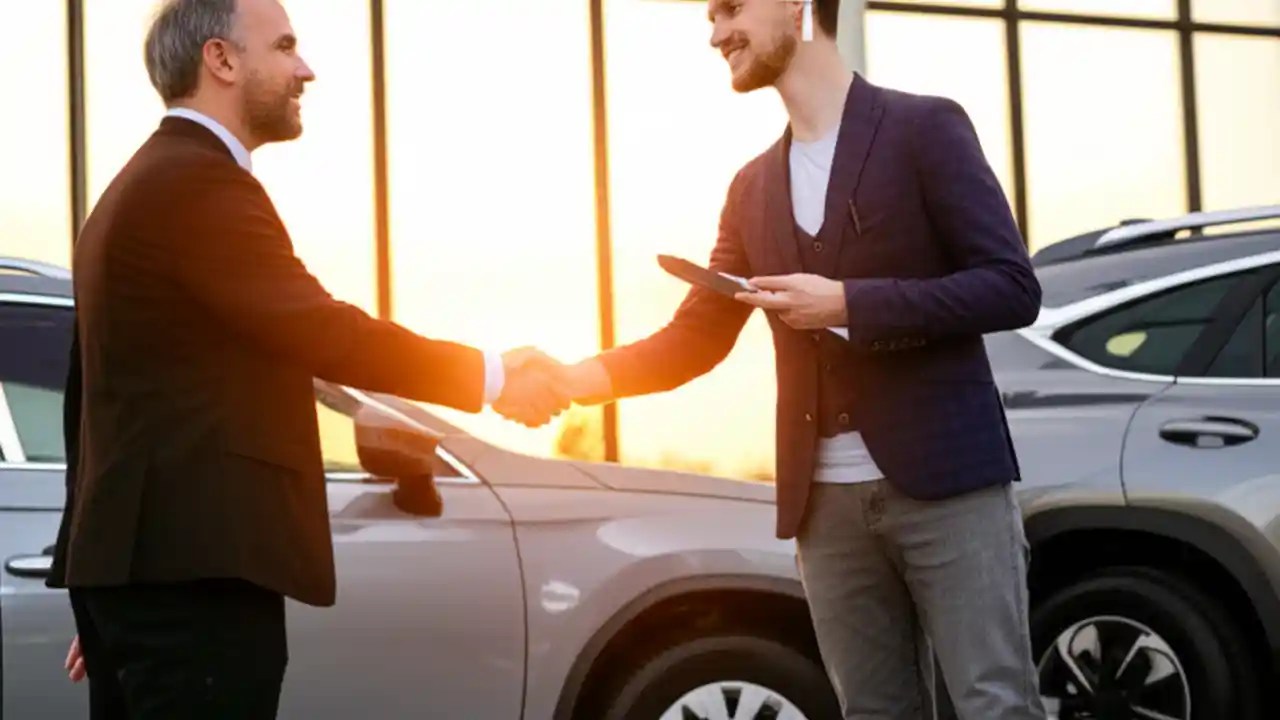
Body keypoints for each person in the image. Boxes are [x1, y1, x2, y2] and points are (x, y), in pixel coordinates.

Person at [48, 0, 567, 717]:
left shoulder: (132, 189)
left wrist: (102, 581)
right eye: (286, 46)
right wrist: (493, 374)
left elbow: (90, 401)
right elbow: (324, 331)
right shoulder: (199, 185)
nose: (306, 69)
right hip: (198, 581)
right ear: (221, 61)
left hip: (152, 582)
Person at [546, 0, 1049, 718]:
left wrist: (850, 303)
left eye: (729, 10)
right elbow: (695, 338)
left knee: (995, 704)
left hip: (950, 489)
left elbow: (1011, 287)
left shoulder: (925, 128)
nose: (716, 34)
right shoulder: (751, 187)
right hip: (824, 509)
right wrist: (575, 379)